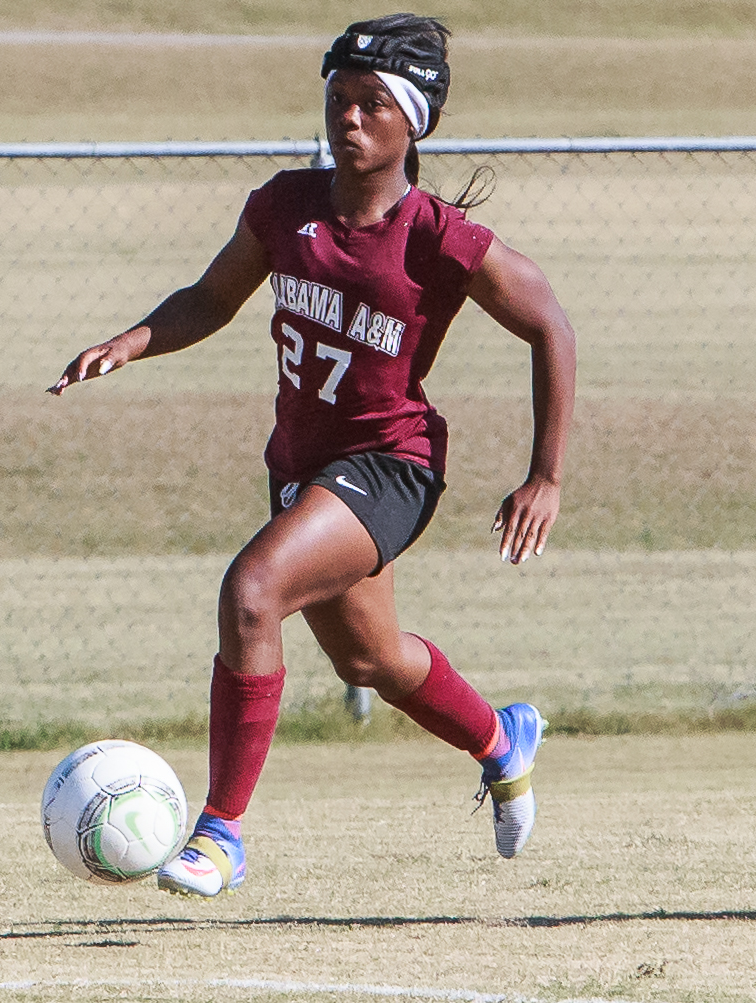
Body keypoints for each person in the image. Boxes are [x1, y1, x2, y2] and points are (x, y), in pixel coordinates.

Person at [49, 13, 576, 898]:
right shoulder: (284, 204)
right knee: (372, 662)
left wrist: (546, 474)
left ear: (415, 122)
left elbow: (550, 325)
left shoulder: (436, 237)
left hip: (389, 465)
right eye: (339, 99)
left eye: (374, 103)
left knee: (252, 590)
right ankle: (499, 735)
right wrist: (132, 341)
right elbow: (211, 298)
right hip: (302, 466)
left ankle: (220, 833)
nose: (350, 118)